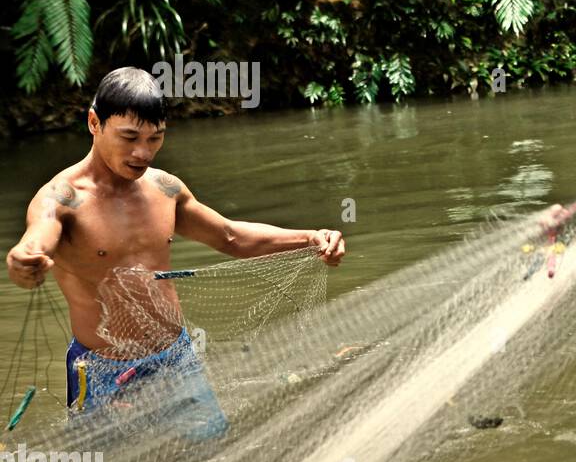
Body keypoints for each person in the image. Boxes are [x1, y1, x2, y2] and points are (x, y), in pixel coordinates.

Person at [5, 67, 346, 438]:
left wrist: (310, 238)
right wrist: (24, 260)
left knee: (211, 454)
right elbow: (36, 239)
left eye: (155, 138)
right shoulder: (63, 198)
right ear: (94, 123)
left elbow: (231, 237)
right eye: (129, 137)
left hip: (175, 357)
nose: (143, 152)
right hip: (103, 368)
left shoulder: (165, 189)